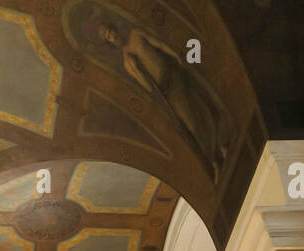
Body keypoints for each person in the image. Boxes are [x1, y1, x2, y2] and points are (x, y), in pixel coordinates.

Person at [98, 21, 230, 178]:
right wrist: (136, 67)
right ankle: (215, 158)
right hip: (167, 90)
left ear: (115, 28)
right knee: (191, 125)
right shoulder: (127, 62)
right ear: (109, 43)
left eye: (111, 31)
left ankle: (221, 146)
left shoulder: (135, 34)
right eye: (109, 37)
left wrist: (175, 55)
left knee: (199, 103)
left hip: (173, 73)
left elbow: (159, 44)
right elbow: (148, 87)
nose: (113, 36)